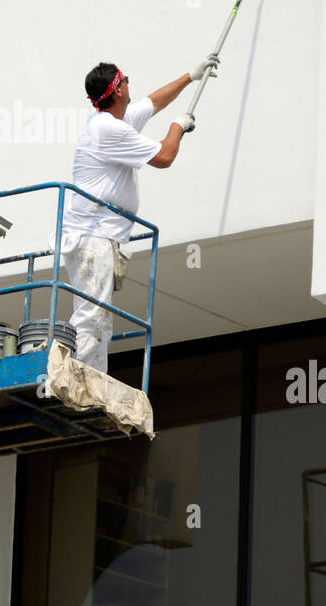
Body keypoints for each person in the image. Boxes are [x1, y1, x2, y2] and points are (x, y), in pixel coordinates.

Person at [59, 59, 217, 372]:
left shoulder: (114, 119)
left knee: (99, 317)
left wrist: (191, 76)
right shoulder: (109, 129)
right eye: (126, 80)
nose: (130, 84)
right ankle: (80, 378)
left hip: (98, 237)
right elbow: (164, 156)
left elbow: (152, 102)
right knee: (92, 316)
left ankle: (91, 377)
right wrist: (177, 127)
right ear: (117, 89)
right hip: (95, 238)